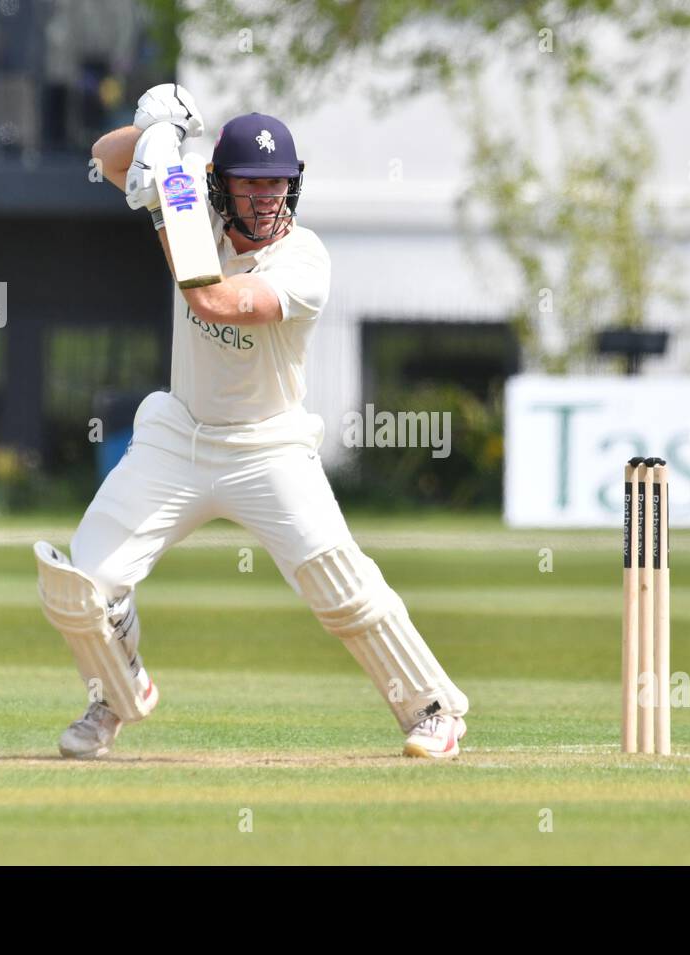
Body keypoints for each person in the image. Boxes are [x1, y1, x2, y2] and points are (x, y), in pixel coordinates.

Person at [34, 84, 469, 760]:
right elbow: (106, 156)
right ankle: (115, 696)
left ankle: (431, 709)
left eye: (277, 183)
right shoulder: (194, 208)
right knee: (82, 586)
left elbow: (217, 301)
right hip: (178, 436)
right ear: (219, 186)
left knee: (340, 586)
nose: (266, 198)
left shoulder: (305, 259)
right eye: (250, 184)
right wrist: (156, 134)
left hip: (269, 445)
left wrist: (165, 205)